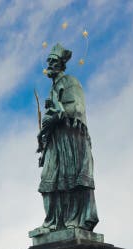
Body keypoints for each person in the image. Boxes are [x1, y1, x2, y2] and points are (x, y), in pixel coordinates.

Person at [36, 43, 98, 233]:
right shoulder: (53, 88)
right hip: (55, 140)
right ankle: (53, 222)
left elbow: (77, 108)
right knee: (49, 178)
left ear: (62, 64)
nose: (50, 64)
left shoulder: (71, 82)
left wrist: (55, 115)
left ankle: (74, 220)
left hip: (70, 138)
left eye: (54, 61)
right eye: (48, 61)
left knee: (71, 178)